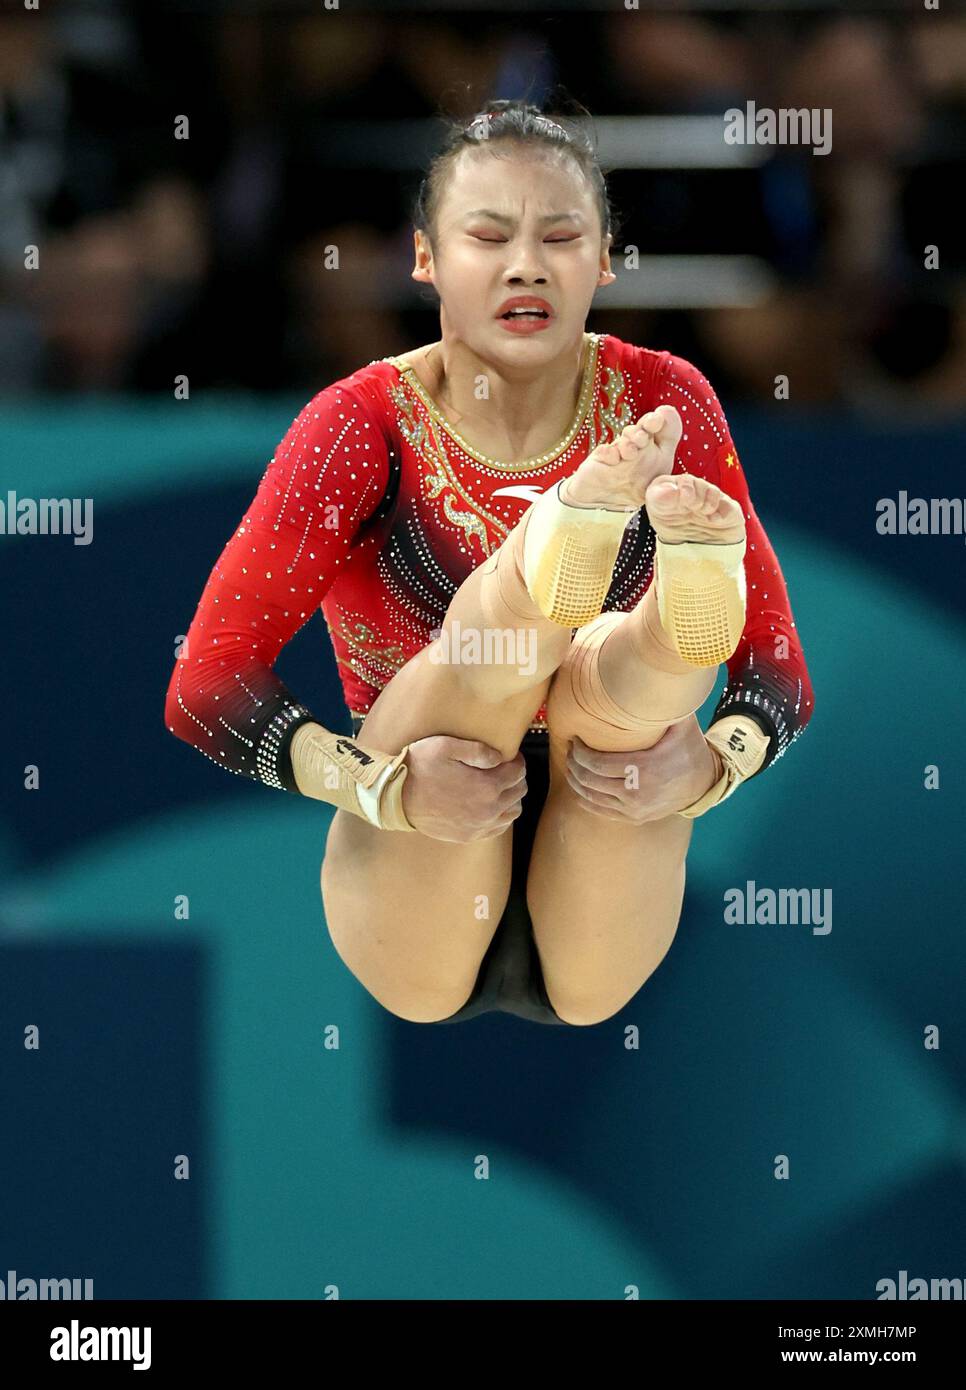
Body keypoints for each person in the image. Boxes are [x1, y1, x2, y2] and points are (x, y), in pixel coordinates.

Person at [165, 100, 814, 1028]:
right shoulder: (363, 423)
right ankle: (548, 580)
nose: (526, 265)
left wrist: (708, 769)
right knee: (487, 663)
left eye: (561, 236)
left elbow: (777, 668)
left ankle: (661, 631)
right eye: (487, 235)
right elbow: (205, 683)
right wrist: (378, 785)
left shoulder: (668, 397)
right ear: (425, 257)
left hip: (605, 817)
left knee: (632, 690)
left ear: (605, 258)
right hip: (418, 828)